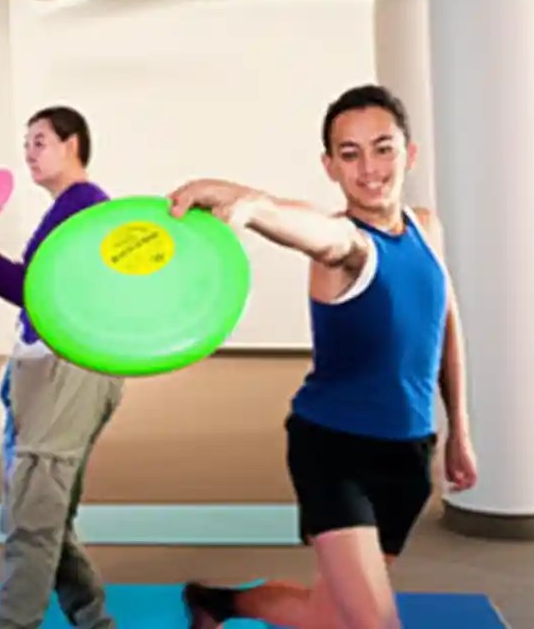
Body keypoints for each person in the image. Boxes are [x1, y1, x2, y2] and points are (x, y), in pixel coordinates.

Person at [170, 85, 479, 629]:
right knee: (374, 625)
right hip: (335, 452)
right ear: (330, 166)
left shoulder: (427, 229)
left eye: (382, 148)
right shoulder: (345, 247)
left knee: (329, 613)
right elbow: (312, 228)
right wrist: (252, 205)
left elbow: (446, 326)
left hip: (408, 456)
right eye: (350, 154)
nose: (369, 169)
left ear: (408, 153)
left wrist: (461, 430)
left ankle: (217, 603)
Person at [0, 106, 124, 629]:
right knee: (41, 517)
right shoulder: (68, 208)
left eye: (40, 141)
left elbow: (28, 290)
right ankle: (94, 621)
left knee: (32, 521)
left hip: (66, 377)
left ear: (73, 144)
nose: (28, 152)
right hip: (44, 374)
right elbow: (34, 292)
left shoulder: (85, 207)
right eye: (25, 142)